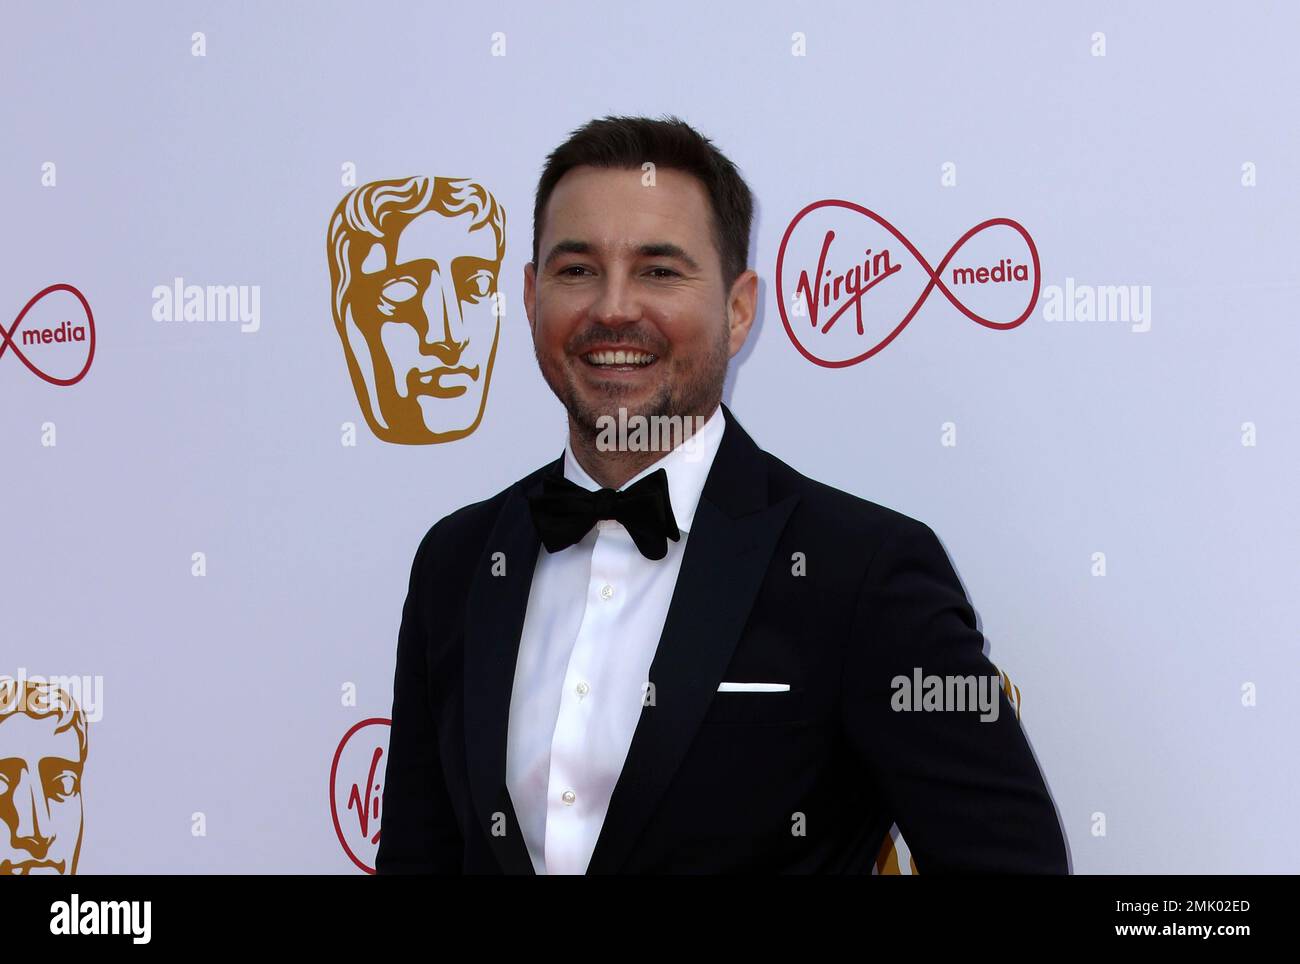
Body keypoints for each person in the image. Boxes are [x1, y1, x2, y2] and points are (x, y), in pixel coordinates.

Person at [376, 114, 1068, 874]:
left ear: (739, 311)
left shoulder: (864, 572)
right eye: (577, 270)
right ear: (532, 295)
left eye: (659, 271)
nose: (612, 308)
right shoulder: (457, 561)